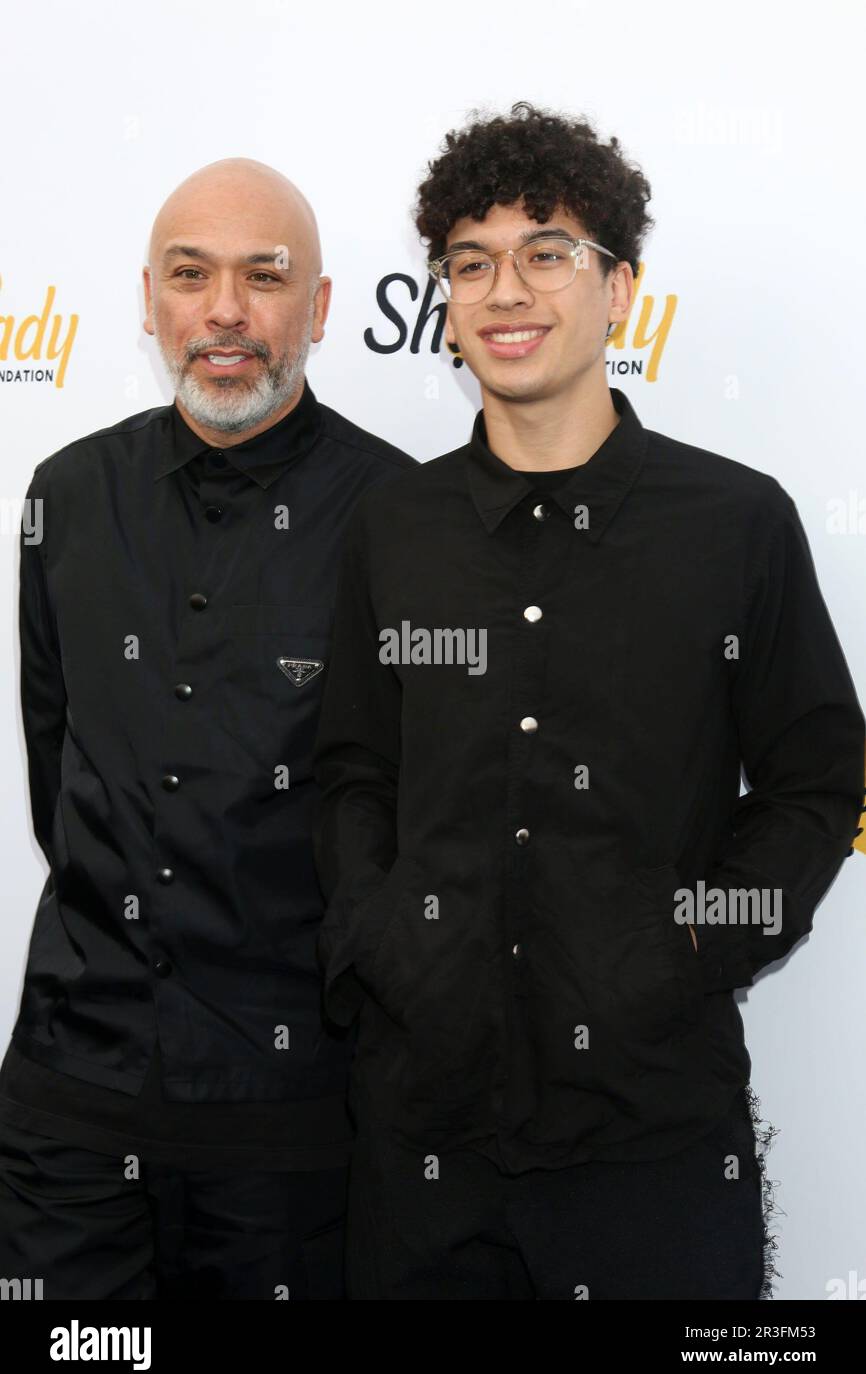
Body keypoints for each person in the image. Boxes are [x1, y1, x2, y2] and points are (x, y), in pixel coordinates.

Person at [311, 103, 865, 1300]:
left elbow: (815, 785)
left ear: (619, 287)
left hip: (651, 1146)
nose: (504, 289)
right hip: (421, 1144)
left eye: (545, 251)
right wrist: (380, 936)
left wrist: (683, 951)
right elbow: (351, 768)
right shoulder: (392, 526)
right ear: (444, 303)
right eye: (470, 262)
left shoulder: (734, 525)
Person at [0, 157, 416, 1300]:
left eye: (262, 276)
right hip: (70, 1117)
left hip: (290, 1125)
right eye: (192, 275)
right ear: (148, 301)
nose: (225, 310)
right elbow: (55, 771)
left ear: (319, 309)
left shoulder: (402, 523)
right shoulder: (66, 496)